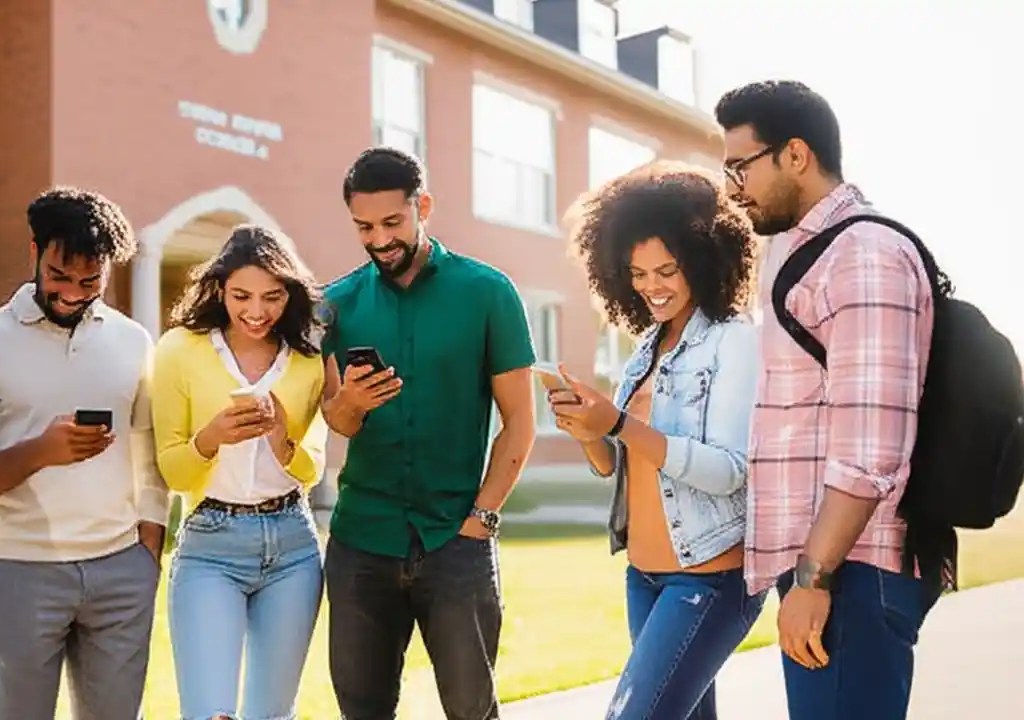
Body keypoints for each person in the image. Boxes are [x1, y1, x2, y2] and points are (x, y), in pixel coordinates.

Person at [715, 80, 934, 719]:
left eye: (740, 167)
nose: (734, 188)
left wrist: (814, 579)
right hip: (833, 565)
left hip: (853, 569)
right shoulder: (802, 251)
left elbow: (870, 450)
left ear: (795, 154)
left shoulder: (862, 256)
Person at [319, 146, 538, 720]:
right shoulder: (335, 306)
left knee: (472, 710)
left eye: (392, 222)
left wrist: (481, 519)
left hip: (455, 543)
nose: (379, 238)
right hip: (362, 541)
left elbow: (519, 422)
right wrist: (350, 404)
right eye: (364, 227)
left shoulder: (488, 292)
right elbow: (334, 423)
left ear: (424, 207)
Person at [0, 187, 170, 720]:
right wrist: (42, 450)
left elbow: (150, 455)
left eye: (90, 281)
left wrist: (148, 550)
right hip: (20, 570)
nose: (72, 293)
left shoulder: (134, 341)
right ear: (35, 251)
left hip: (121, 569)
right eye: (59, 275)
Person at [553, 161, 764, 720]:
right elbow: (616, 466)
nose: (651, 287)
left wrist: (619, 424)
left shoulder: (733, 341)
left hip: (708, 580)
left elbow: (728, 470)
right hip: (643, 578)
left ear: (703, 260)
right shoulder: (646, 349)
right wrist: (588, 431)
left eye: (667, 270)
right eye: (638, 273)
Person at [151, 224, 329, 720]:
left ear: (289, 295)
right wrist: (212, 437)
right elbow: (174, 472)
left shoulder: (308, 363)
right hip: (211, 544)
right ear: (220, 289)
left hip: (292, 544)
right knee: (210, 714)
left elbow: (312, 468)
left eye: (272, 297)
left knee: (271, 714)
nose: (257, 311)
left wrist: (281, 439)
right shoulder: (179, 350)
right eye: (241, 296)